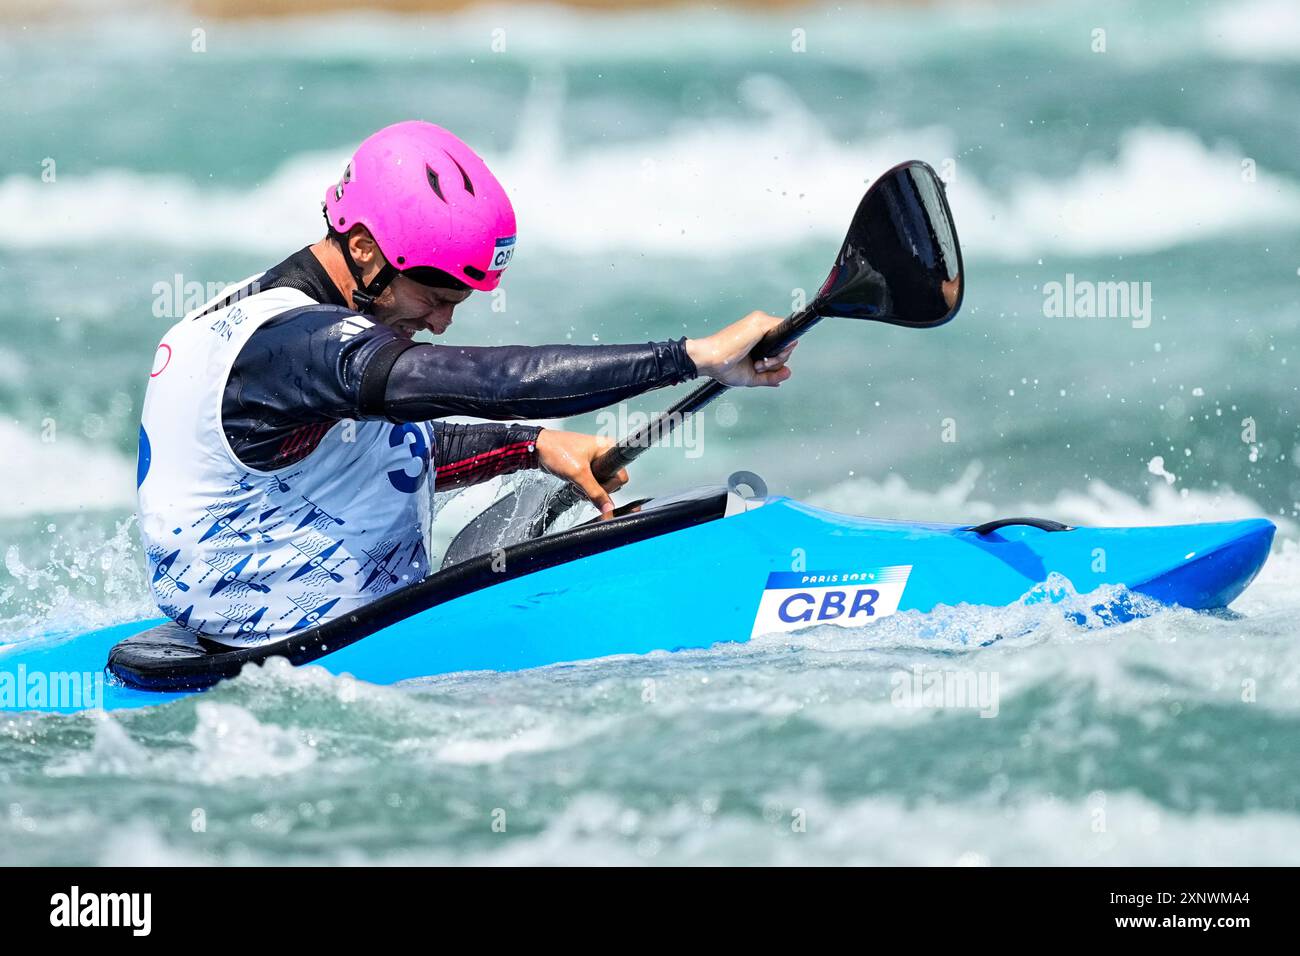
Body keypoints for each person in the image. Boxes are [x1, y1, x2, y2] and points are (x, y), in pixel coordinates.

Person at [136, 120, 795, 648]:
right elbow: (482, 380)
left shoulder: (274, 323)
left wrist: (535, 446)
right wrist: (692, 355)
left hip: (320, 635)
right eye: (435, 294)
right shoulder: (292, 346)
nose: (444, 323)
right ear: (364, 249)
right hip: (300, 663)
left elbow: (365, 453)